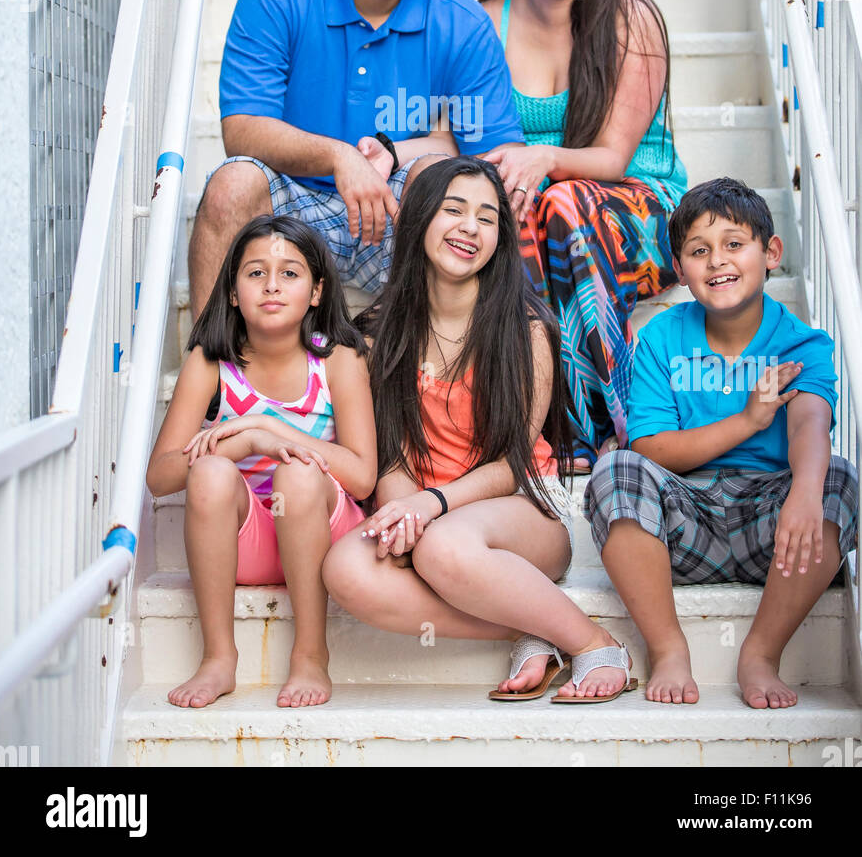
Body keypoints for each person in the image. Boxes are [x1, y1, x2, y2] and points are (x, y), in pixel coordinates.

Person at [322, 157, 640, 704]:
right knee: (346, 568)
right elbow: (390, 457)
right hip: (428, 511)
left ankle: (595, 641)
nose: (470, 226)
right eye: (453, 210)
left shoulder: (527, 330)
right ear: (419, 219)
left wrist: (431, 507)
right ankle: (528, 626)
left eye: (487, 217)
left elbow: (510, 464)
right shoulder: (373, 336)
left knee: (443, 546)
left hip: (520, 513)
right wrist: (401, 513)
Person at [189, 0, 524, 317]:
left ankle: (427, 371)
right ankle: (211, 370)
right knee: (232, 185)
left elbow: (494, 156)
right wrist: (338, 156)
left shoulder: (462, 22)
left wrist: (410, 155)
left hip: (395, 217)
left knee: (440, 184)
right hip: (290, 206)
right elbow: (242, 129)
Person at [581, 177, 858, 708]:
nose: (717, 261)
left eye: (734, 244)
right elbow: (652, 450)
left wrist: (804, 492)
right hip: (683, 527)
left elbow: (808, 425)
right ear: (681, 270)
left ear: (771, 252)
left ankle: (760, 652)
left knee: (837, 476)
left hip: (777, 533)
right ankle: (668, 649)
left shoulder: (800, 342)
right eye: (699, 251)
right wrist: (749, 420)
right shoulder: (663, 337)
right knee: (617, 468)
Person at [479, 0, 688, 469]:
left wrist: (542, 156)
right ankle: (537, 423)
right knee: (511, 204)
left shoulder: (630, 17)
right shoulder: (487, 19)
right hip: (545, 216)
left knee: (562, 202)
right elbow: (454, 135)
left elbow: (613, 159)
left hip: (643, 213)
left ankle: (610, 422)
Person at [146, 215, 377, 709]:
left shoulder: (338, 358)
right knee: (208, 471)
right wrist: (246, 441)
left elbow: (361, 478)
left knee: (296, 471)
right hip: (246, 547)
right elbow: (161, 476)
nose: (272, 285)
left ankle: (311, 654)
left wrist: (273, 430)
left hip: (325, 539)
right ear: (232, 293)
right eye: (255, 273)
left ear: (316, 292)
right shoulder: (211, 362)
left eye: (290, 273)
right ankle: (218, 657)